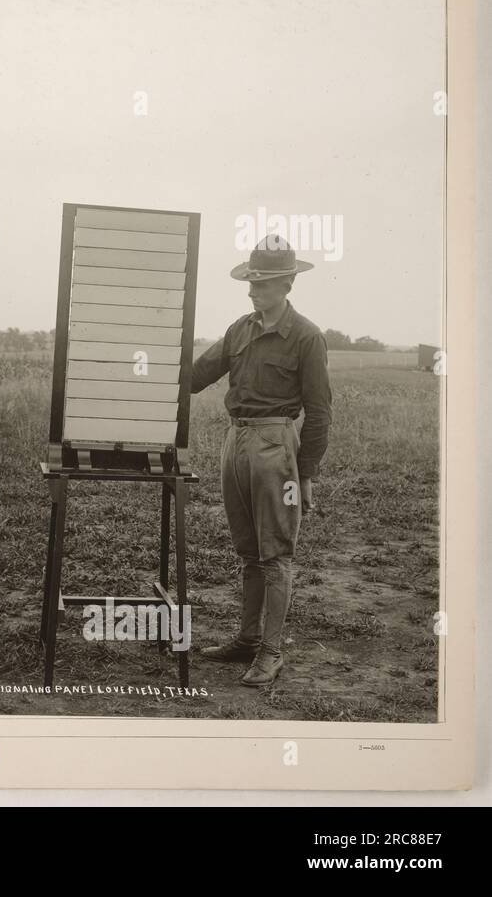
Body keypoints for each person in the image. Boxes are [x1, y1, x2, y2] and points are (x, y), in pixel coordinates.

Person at [190, 234, 332, 686]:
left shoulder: (307, 336)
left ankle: (271, 652)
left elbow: (320, 411)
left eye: (265, 282)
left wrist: (304, 473)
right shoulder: (239, 329)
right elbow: (195, 377)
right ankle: (247, 640)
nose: (254, 289)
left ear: (288, 282)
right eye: (252, 281)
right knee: (248, 552)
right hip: (236, 442)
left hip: (277, 445)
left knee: (275, 555)